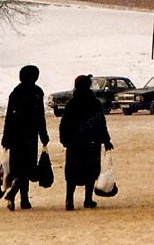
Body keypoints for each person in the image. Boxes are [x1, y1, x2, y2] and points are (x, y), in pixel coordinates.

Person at [59, 74, 113, 210]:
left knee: (72, 173)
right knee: (90, 171)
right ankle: (88, 200)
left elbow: (64, 124)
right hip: (91, 142)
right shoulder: (94, 103)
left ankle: (69, 201)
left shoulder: (72, 103)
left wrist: (65, 140)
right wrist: (106, 140)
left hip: (74, 143)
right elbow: (101, 123)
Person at [1, 64, 50, 211]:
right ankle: (19, 196)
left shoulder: (15, 93)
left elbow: (9, 117)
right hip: (30, 136)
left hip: (16, 136)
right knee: (27, 168)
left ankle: (23, 199)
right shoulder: (36, 92)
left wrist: (6, 138)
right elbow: (40, 116)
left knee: (18, 168)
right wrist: (43, 134)